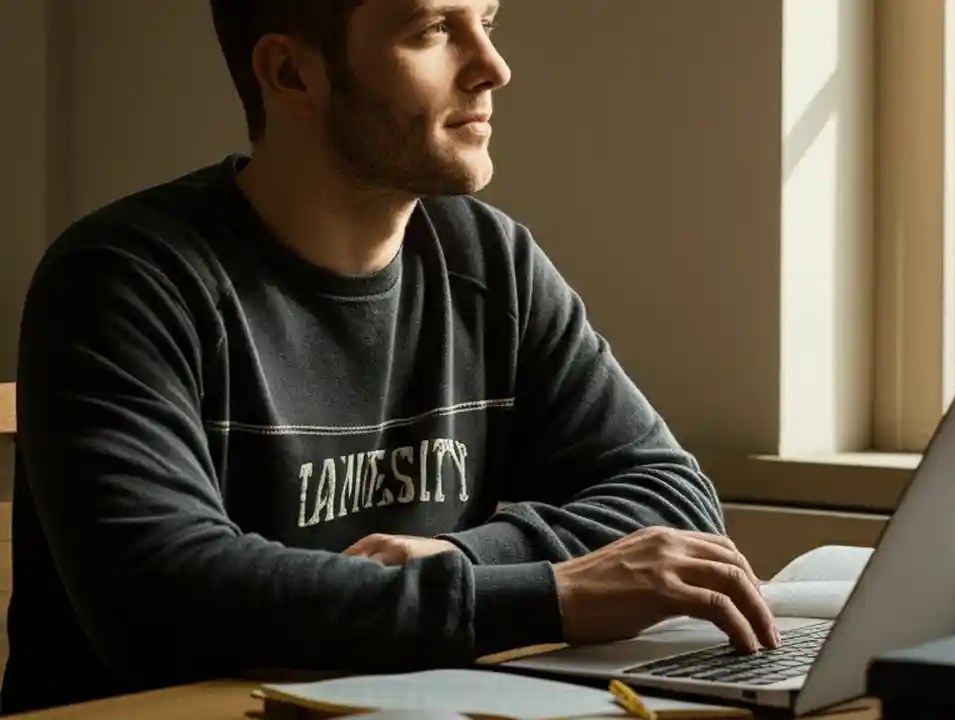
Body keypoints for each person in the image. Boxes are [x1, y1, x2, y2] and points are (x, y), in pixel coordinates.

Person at [0, 0, 780, 713]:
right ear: (291, 72)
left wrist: (457, 558)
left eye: (488, 20)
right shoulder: (127, 279)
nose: (493, 66)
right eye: (434, 29)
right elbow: (164, 599)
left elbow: (672, 500)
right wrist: (546, 595)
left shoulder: (488, 260)